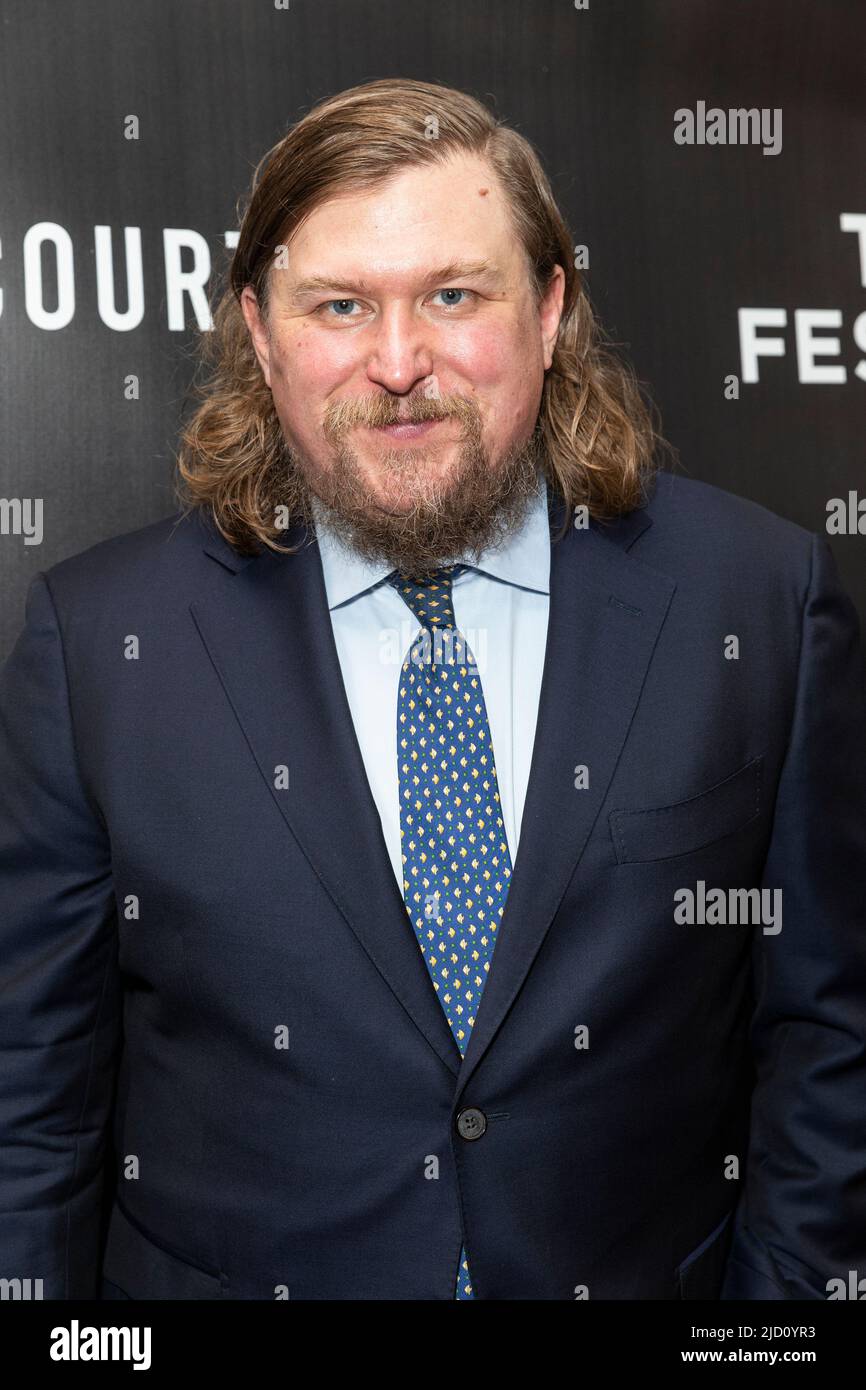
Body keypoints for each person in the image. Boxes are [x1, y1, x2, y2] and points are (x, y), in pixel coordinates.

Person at [1, 77, 865, 1301]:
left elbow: (828, 1041)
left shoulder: (758, 601)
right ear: (259, 330)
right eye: (339, 305)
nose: (398, 362)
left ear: (552, 308)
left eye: (454, 296)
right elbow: (31, 1102)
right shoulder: (98, 645)